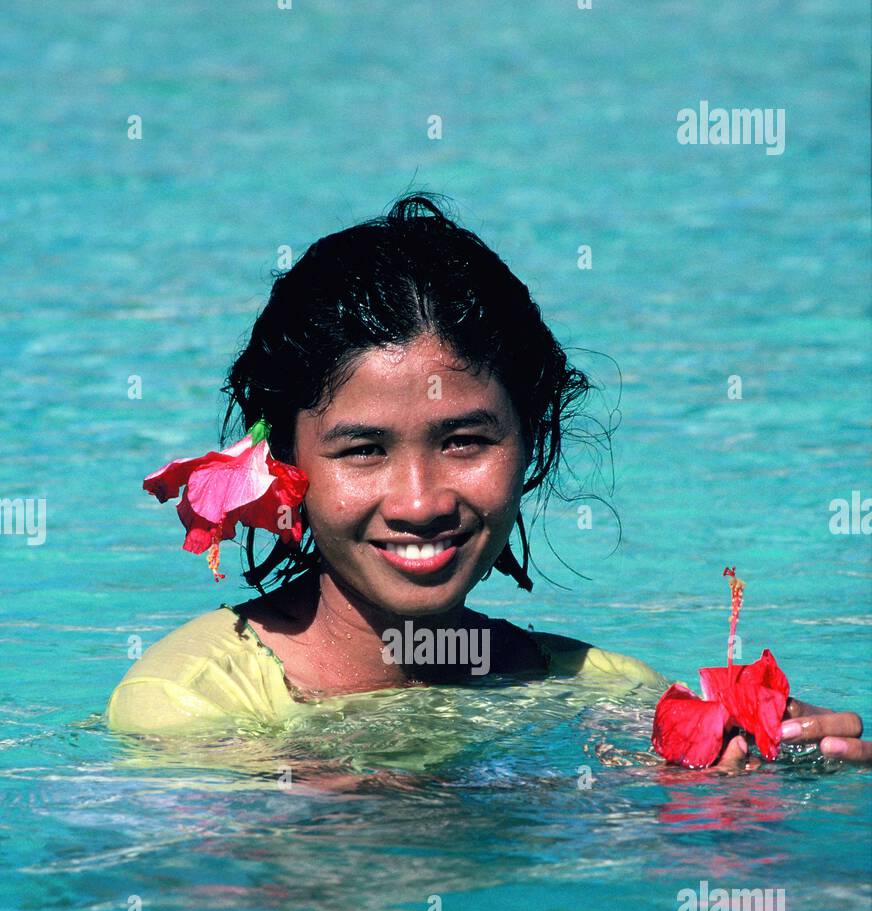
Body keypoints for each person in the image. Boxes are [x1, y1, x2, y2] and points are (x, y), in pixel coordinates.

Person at [105, 193, 869, 769]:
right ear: (281, 466)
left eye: (465, 440)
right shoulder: (188, 707)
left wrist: (788, 781)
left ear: (531, 441)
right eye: (363, 450)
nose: (420, 502)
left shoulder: (608, 697)